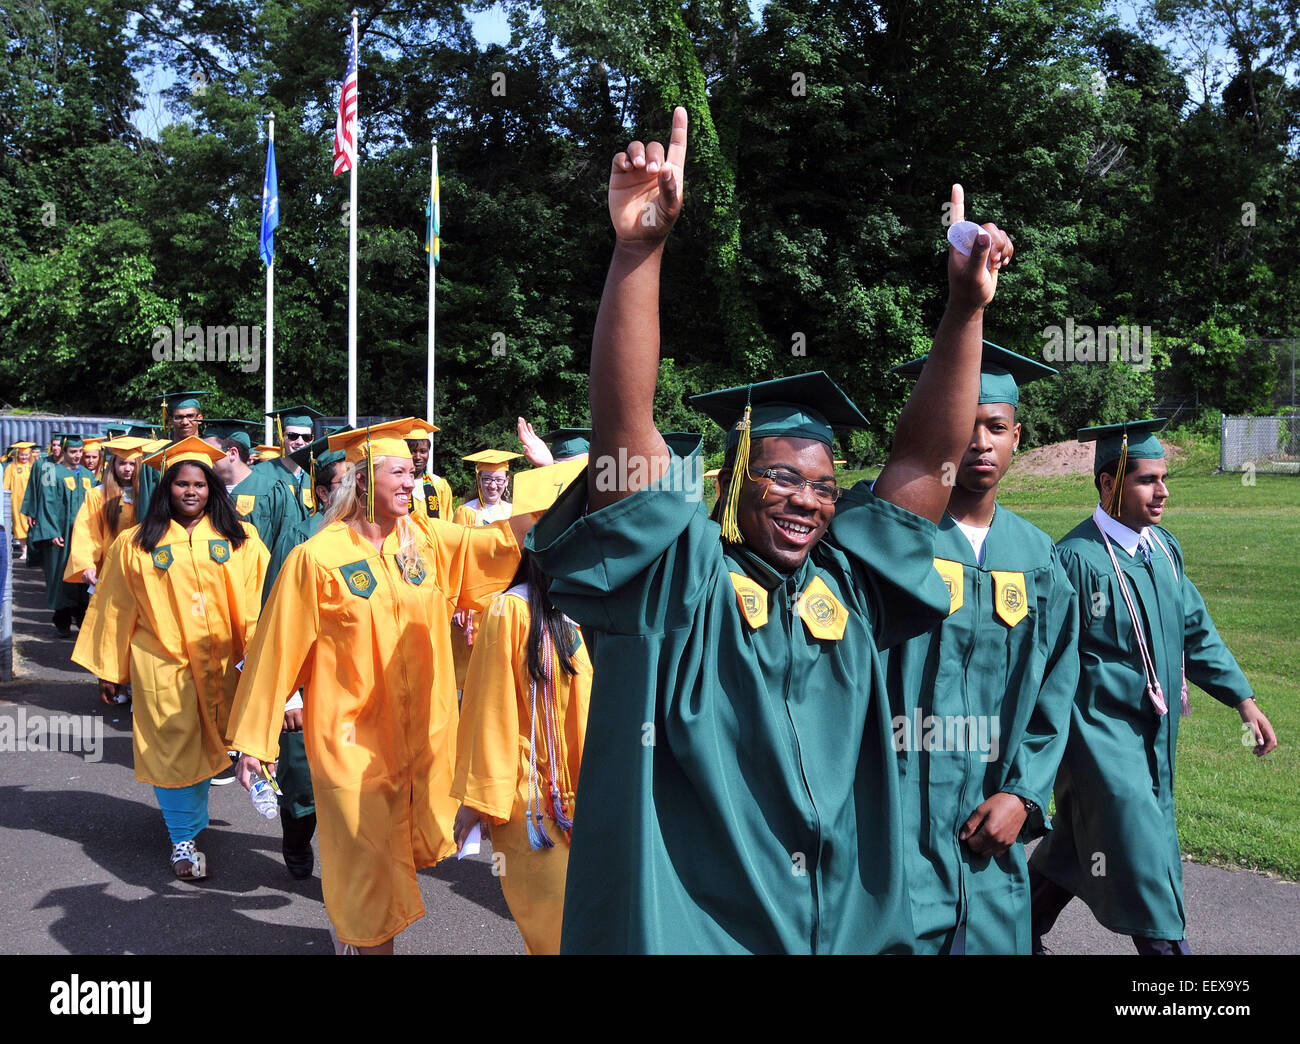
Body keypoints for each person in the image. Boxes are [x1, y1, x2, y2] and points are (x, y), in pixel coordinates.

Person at [525, 107, 1014, 953]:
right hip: (700, 929)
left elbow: (923, 463)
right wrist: (639, 250)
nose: (807, 501)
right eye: (781, 477)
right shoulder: (679, 582)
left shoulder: (849, 586)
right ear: (733, 481)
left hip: (838, 926)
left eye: (824, 487)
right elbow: (623, 431)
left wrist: (964, 310)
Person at [226, 419, 530, 954]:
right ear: (362, 482)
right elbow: (277, 650)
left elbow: (503, 544)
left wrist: (555, 476)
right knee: (366, 870)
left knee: (400, 854)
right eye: (401, 472)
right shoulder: (317, 559)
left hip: (424, 739)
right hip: (351, 742)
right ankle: (364, 939)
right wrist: (255, 738)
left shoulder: (428, 541)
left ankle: (358, 935)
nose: (413, 481)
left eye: (415, 471)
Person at [1028, 419, 1278, 955]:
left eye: (1164, 479)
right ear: (1107, 484)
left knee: (1077, 847)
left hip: (1153, 736)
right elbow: (1045, 664)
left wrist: (1243, 700)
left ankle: (1010, 934)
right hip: (1098, 738)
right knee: (1143, 851)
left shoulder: (1162, 550)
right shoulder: (1076, 559)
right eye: (1146, 480)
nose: (1162, 491)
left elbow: (1196, 629)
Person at [883, 343, 1079, 954]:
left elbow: (1056, 690)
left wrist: (1023, 795)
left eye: (995, 426)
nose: (979, 442)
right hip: (896, 823)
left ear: (1017, 436)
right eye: (962, 423)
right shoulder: (888, 541)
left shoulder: (1040, 558)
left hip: (992, 843)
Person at [70, 437, 270, 879]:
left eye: (200, 484)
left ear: (213, 489)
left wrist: (263, 660)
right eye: (181, 484)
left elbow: (258, 605)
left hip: (224, 661)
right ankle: (183, 838)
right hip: (163, 663)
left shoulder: (242, 540)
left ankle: (219, 804)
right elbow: (116, 607)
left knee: (220, 742)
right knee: (174, 746)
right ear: (167, 489)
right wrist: (111, 670)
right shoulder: (136, 543)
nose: (191, 491)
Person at [452, 458, 592, 954]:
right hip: (538, 799)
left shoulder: (603, 609)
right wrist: (478, 800)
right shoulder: (510, 611)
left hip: (603, 799)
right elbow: (490, 711)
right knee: (555, 932)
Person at [260, 432, 349, 879]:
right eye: (345, 482)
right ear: (321, 492)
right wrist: (289, 696)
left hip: (357, 691)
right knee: (302, 784)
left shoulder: (381, 537)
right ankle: (296, 840)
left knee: (354, 790)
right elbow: (276, 622)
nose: (357, 491)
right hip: (309, 686)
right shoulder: (300, 537)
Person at [451, 449, 522, 691]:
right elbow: (456, 557)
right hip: (474, 601)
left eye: (498, 479)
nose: (493, 485)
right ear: (479, 480)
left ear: (507, 481)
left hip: (505, 593)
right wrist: (459, 603)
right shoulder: (466, 513)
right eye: (487, 479)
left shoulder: (515, 513)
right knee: (472, 667)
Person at [203, 420, 306, 554]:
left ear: (232, 453)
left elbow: (287, 545)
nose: (203, 457)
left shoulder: (272, 491)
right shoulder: (206, 491)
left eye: (210, 452)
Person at [27, 432, 93, 635]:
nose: (77, 455)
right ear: (64, 452)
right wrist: (52, 531)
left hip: (83, 536)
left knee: (83, 575)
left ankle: (82, 617)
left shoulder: (88, 475)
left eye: (80, 451)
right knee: (60, 576)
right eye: (73, 451)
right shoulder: (51, 472)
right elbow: (47, 504)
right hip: (60, 535)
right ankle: (62, 619)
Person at [62, 436, 147, 587]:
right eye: (122, 463)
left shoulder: (147, 494)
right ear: (113, 464)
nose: (127, 468)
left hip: (141, 567)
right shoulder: (98, 495)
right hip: (108, 566)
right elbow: (87, 531)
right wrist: (87, 563)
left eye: (132, 464)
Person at [256, 405, 325, 514]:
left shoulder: (318, 476)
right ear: (280, 437)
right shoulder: (260, 474)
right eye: (293, 436)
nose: (300, 442)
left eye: (306, 437)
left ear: (312, 440)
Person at [405, 419, 454, 522]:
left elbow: (447, 521)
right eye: (412, 451)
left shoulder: (439, 485)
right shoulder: (398, 485)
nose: (418, 457)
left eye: (423, 451)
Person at [3, 442, 35, 561]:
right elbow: (6, 486)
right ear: (17, 455)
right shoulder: (11, 467)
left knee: (31, 525)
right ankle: (24, 550)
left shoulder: (34, 466)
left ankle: (33, 551)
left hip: (31, 500)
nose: (24, 457)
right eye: (22, 455)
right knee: (20, 526)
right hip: (17, 501)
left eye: (26, 455)